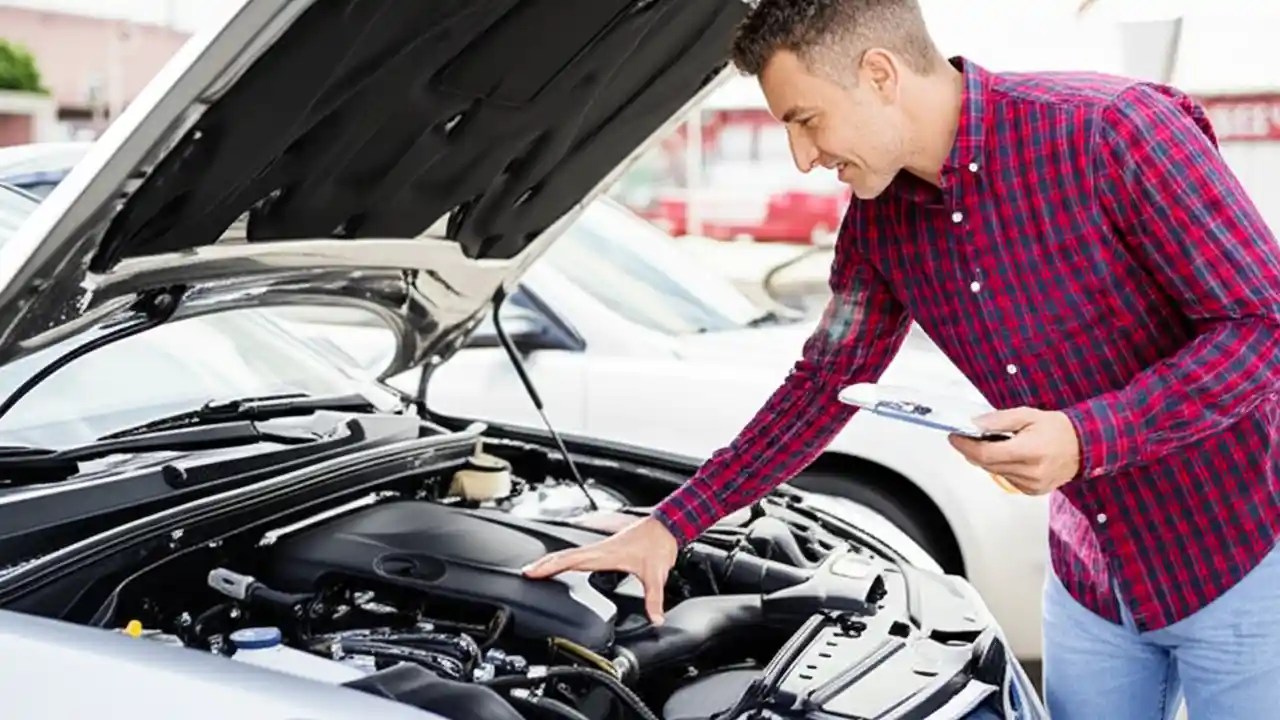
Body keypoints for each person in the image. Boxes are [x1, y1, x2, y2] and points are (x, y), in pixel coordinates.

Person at [522, 1, 1280, 717]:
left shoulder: (1113, 131)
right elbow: (823, 386)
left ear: (880, 74)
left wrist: (1088, 437)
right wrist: (670, 525)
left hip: (1244, 557)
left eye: (806, 120)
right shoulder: (878, 228)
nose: (803, 156)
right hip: (1091, 580)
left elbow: (1260, 324)